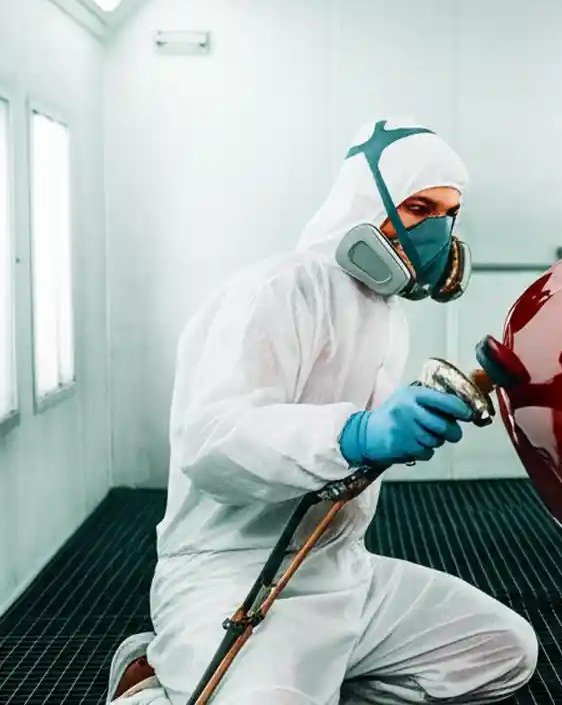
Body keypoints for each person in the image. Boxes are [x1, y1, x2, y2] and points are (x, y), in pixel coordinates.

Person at [105, 120, 538, 704]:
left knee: (503, 652)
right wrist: (356, 433)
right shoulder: (275, 291)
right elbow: (211, 444)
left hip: (343, 572)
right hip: (232, 572)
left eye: (446, 213)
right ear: (364, 204)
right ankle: (149, 684)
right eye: (417, 206)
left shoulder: (386, 314)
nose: (435, 230)